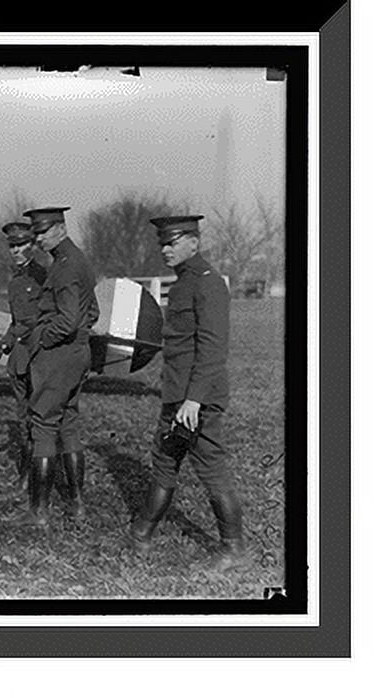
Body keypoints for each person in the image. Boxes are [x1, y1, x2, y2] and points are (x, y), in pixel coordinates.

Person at [127, 215, 246, 572]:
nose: (165, 248)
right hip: (176, 395)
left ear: (194, 242)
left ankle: (234, 550)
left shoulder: (207, 284)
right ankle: (141, 534)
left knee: (211, 468)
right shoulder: (182, 283)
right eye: (163, 242)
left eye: (174, 241)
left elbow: (212, 349)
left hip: (198, 399)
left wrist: (193, 400)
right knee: (165, 458)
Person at [21, 206, 99, 525]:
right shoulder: (78, 261)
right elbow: (91, 312)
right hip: (79, 353)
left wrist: (42, 340)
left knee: (42, 425)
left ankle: (38, 512)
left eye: (42, 232)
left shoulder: (64, 268)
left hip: (59, 354)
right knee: (68, 424)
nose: (38, 239)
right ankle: (77, 504)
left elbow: (66, 321)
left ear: (60, 229)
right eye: (36, 233)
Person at [0, 221, 48, 492]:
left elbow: (43, 320)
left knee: (40, 419)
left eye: (22, 245)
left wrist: (20, 334)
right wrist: (4, 343)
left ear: (33, 246)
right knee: (23, 417)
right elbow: (17, 322)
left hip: (40, 356)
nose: (16, 250)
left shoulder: (44, 278)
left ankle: (39, 476)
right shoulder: (15, 283)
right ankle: (27, 472)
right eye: (12, 246)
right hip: (20, 359)